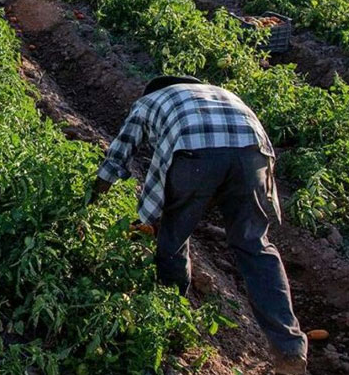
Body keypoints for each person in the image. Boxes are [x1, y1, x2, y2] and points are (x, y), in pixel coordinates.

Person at [87, 76, 307, 375]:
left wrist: (93, 199)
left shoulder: (149, 101)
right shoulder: (222, 94)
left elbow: (118, 155)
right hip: (251, 155)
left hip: (195, 157)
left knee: (172, 239)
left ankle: (171, 320)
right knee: (255, 246)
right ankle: (289, 348)